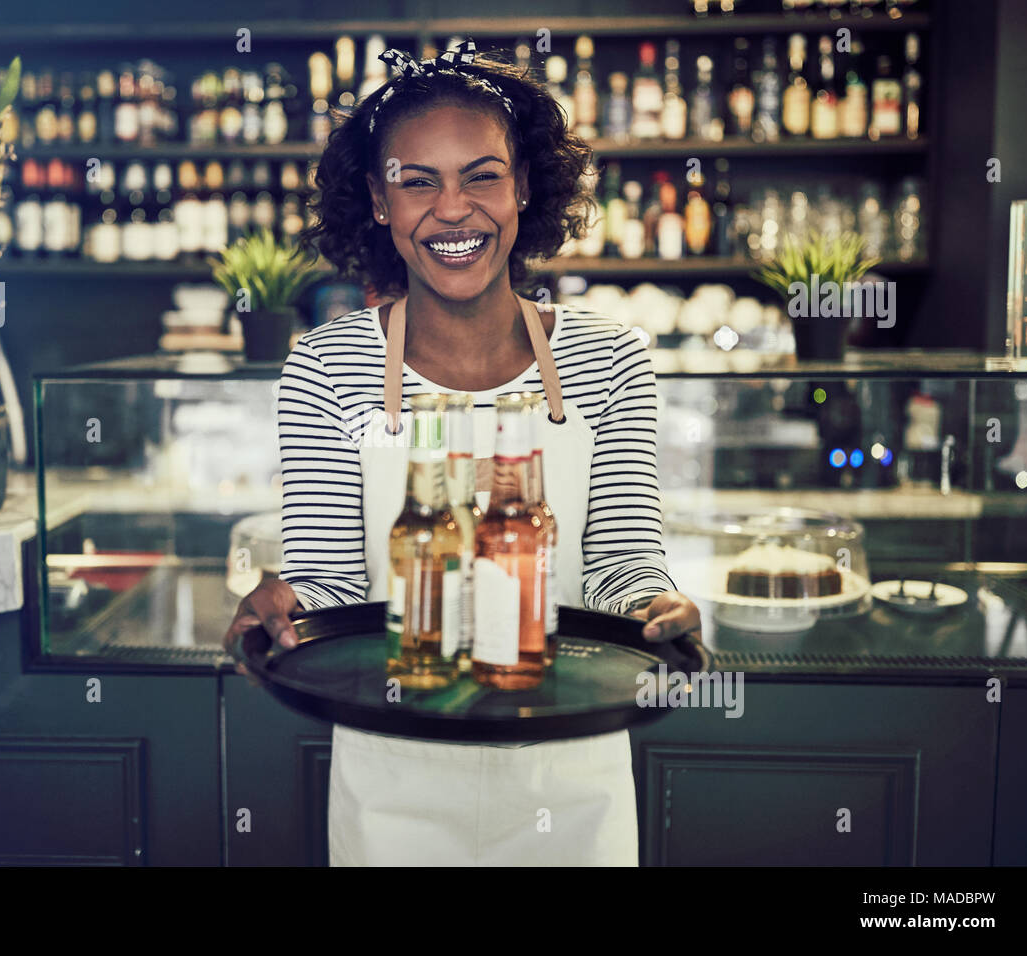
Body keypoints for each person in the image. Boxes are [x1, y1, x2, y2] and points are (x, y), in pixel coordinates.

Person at [223, 38, 701, 866]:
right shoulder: (326, 367)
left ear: (523, 188)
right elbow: (334, 582)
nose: (453, 209)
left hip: (568, 774)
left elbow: (623, 564)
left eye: (482, 174)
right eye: (417, 181)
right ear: (379, 201)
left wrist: (660, 612)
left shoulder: (610, 357)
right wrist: (287, 606)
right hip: (395, 772)